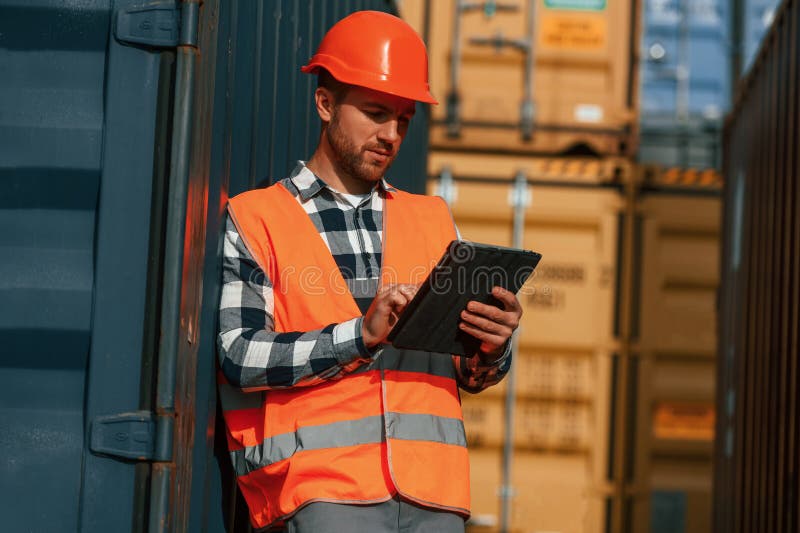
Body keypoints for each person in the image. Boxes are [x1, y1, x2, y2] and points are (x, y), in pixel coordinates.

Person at [217, 10, 523, 533]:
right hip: (320, 491)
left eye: (403, 119)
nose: (391, 134)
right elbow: (239, 355)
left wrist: (492, 349)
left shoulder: (433, 221)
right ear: (325, 102)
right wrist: (358, 336)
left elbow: (467, 375)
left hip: (435, 493)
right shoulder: (257, 216)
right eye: (377, 112)